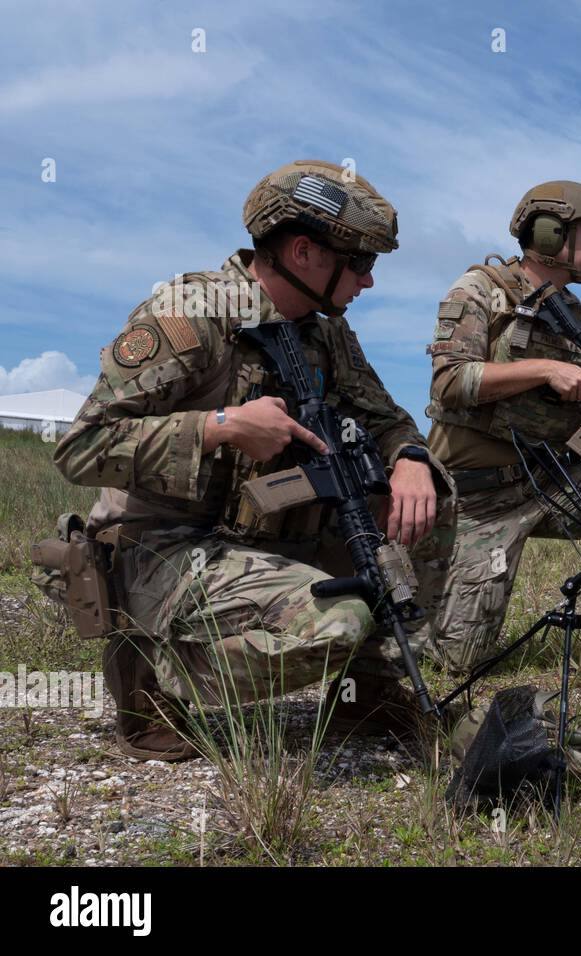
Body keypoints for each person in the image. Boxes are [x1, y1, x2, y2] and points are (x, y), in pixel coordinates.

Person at [52, 160, 455, 760]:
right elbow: (82, 447)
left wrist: (412, 457)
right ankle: (151, 678)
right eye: (361, 262)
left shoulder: (327, 335)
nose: (368, 282)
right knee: (338, 621)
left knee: (429, 498)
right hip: (166, 541)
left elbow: (385, 416)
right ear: (302, 252)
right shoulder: (189, 315)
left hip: (263, 526)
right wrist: (220, 427)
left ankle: (364, 696)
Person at [419, 180, 581, 697]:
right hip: (473, 497)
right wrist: (543, 369)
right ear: (548, 232)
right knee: (458, 661)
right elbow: (449, 383)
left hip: (546, 482)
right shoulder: (480, 290)